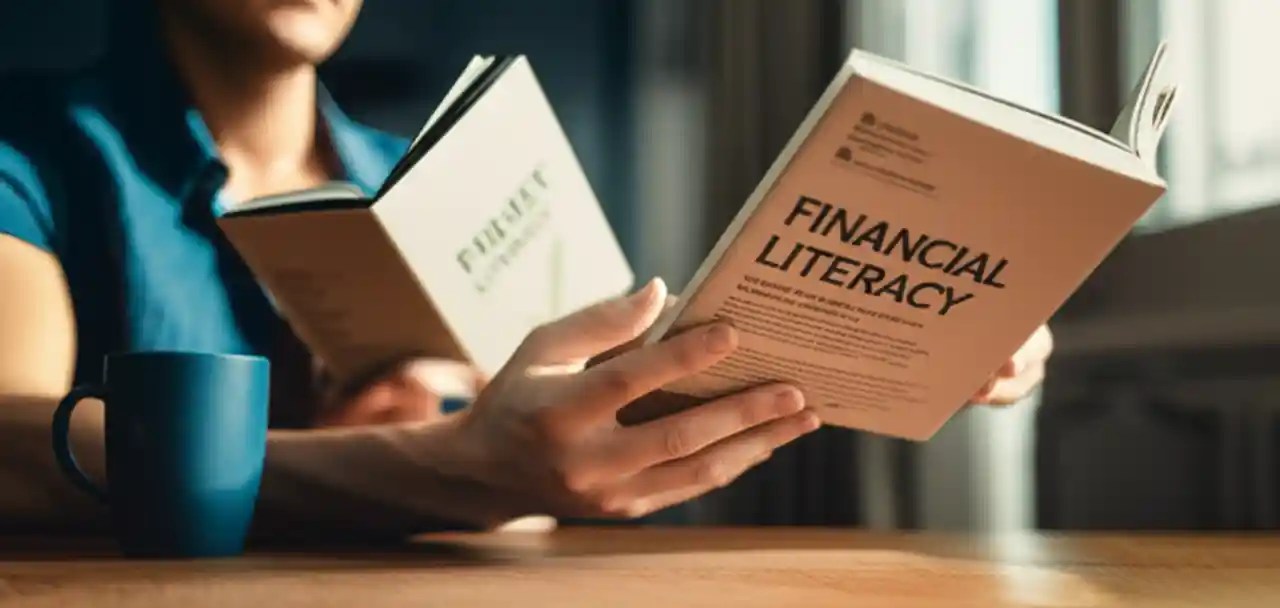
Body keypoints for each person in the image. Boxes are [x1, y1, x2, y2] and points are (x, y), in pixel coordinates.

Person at [0, 0, 1052, 538]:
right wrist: (429, 466)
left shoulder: (421, 181)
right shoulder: (29, 152)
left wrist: (907, 336)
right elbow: (14, 445)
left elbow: (590, 420)